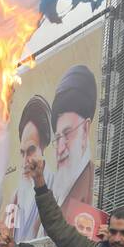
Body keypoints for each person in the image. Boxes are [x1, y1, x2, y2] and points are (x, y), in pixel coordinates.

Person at [49, 65, 97, 226]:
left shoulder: (90, 189)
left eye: (68, 134)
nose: (61, 148)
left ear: (85, 129)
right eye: (57, 138)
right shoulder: (55, 190)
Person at [8, 94, 51, 242]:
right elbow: (7, 235)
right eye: (22, 153)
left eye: (31, 150)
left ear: (43, 147)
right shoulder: (14, 197)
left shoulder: (56, 188)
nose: (25, 161)